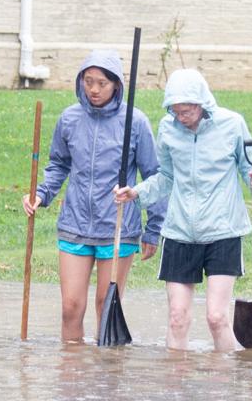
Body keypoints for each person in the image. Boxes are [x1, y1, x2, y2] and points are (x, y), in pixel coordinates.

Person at [115, 69, 252, 352]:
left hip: (223, 232)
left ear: (202, 104)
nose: (181, 118)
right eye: (176, 112)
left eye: (186, 112)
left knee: (216, 317)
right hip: (180, 233)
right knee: (177, 318)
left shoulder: (232, 124)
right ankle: (176, 389)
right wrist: (137, 192)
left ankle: (226, 387)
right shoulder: (168, 128)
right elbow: (166, 177)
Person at [21, 50, 164, 343]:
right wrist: (41, 193)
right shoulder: (69, 119)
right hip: (75, 226)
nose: (94, 89)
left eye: (101, 83)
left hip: (118, 228)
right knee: (71, 307)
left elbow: (155, 176)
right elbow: (59, 164)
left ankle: (105, 382)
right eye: (88, 82)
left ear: (116, 85)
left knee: (106, 306)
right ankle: (73, 377)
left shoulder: (135, 123)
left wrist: (154, 229)